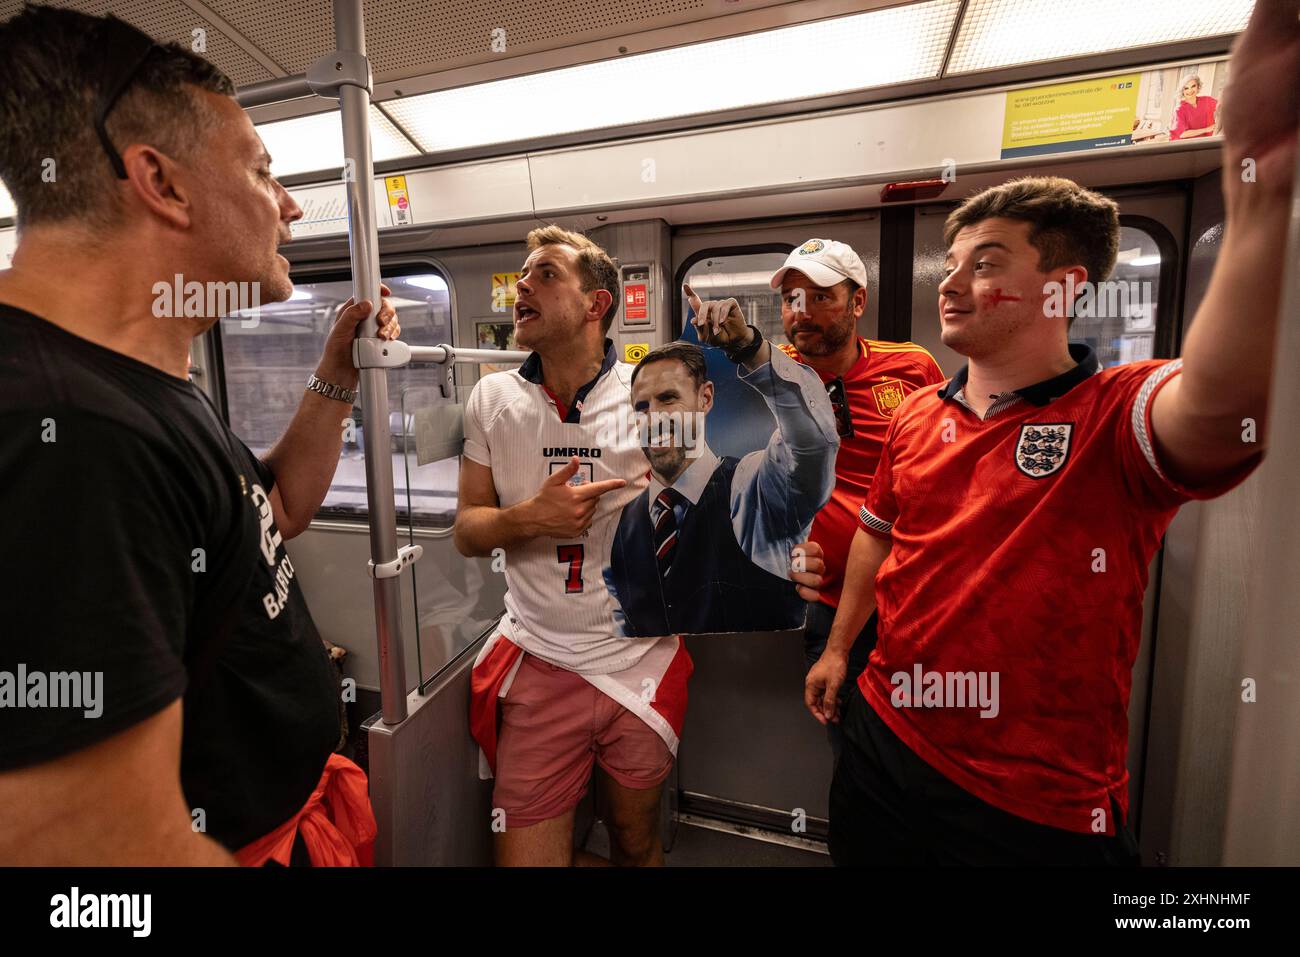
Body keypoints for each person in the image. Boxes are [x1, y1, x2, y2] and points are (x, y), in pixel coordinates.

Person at [803, 0, 1296, 866]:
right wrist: (842, 650)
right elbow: (876, 543)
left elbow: (1223, 416)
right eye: (953, 265)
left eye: (986, 263)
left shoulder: (1115, 415)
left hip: (1036, 800)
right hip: (884, 733)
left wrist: (1259, 194)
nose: (954, 283)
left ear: (1065, 289)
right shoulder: (922, 413)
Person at [0, 7, 397, 864]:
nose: (289, 207)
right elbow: (97, 851)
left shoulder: (147, 376)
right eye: (262, 171)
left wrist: (338, 375)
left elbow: (275, 510)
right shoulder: (67, 431)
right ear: (163, 183)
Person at [458, 225, 692, 866]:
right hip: (540, 657)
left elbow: (703, 521)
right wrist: (529, 518)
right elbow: (467, 530)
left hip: (637, 658)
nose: (522, 285)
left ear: (597, 305)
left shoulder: (652, 397)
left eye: (546, 274)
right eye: (522, 275)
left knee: (636, 840)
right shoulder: (492, 397)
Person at [759, 239, 945, 758]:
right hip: (830, 604)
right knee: (855, 754)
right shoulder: (766, 378)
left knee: (920, 754)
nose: (803, 314)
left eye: (821, 298)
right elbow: (735, 484)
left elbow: (940, 472)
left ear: (858, 303)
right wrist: (777, 548)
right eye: (792, 299)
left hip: (909, 599)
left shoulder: (912, 368)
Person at [604, 333, 838, 638]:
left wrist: (751, 349)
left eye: (668, 399)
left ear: (706, 398)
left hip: (755, 683)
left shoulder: (753, 491)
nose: (654, 418)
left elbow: (812, 444)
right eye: (642, 407)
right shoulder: (621, 527)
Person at [1169, 74, 1218, 140]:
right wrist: (1207, 129)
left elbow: (1224, 107)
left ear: (1198, 87)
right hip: (1186, 146)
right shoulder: (1179, 110)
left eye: (1193, 86)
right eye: (1186, 88)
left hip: (1207, 143)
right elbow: (1182, 134)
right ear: (1182, 91)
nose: (1190, 90)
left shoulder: (1207, 100)